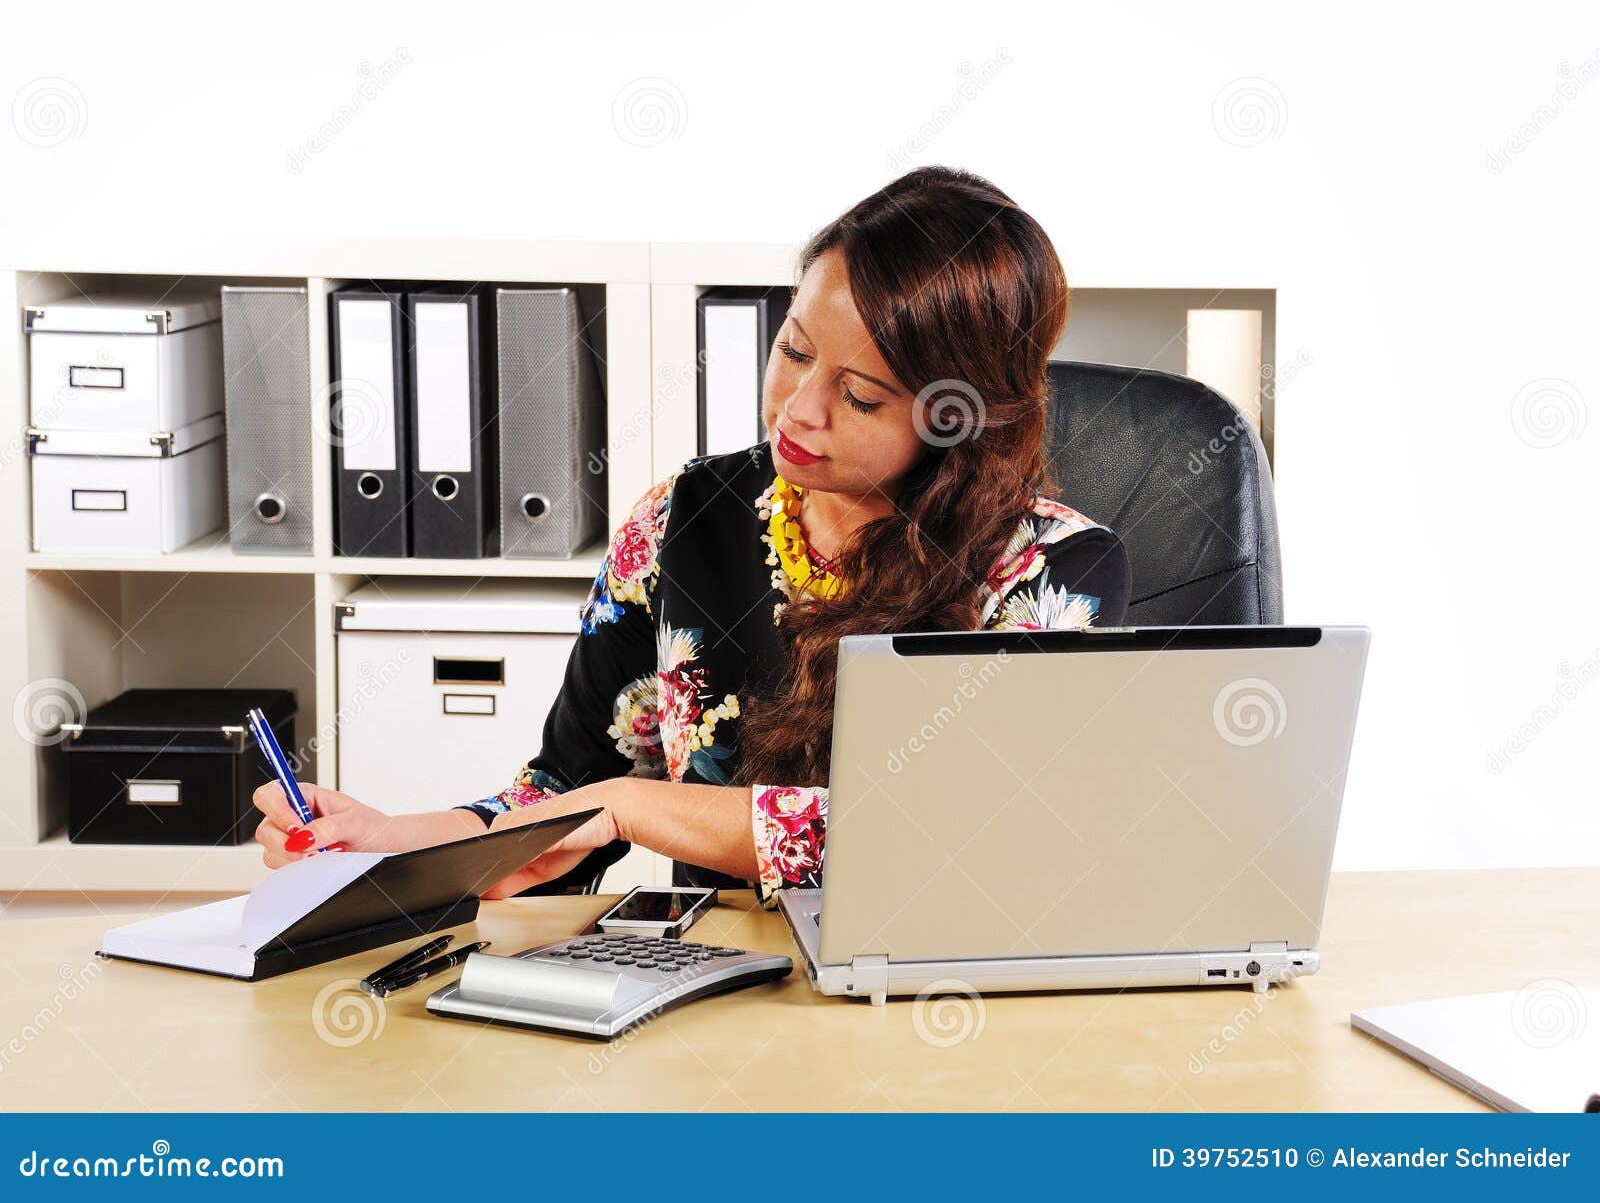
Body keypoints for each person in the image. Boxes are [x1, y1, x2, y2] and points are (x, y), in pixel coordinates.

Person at [254, 165, 1131, 906]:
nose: (800, 408)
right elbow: (567, 789)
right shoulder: (683, 516)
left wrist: (633, 808)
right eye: (793, 349)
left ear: (957, 417)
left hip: (939, 1003)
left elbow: (956, 837)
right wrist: (401, 840)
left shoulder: (1048, 574)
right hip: (713, 987)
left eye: (860, 395)